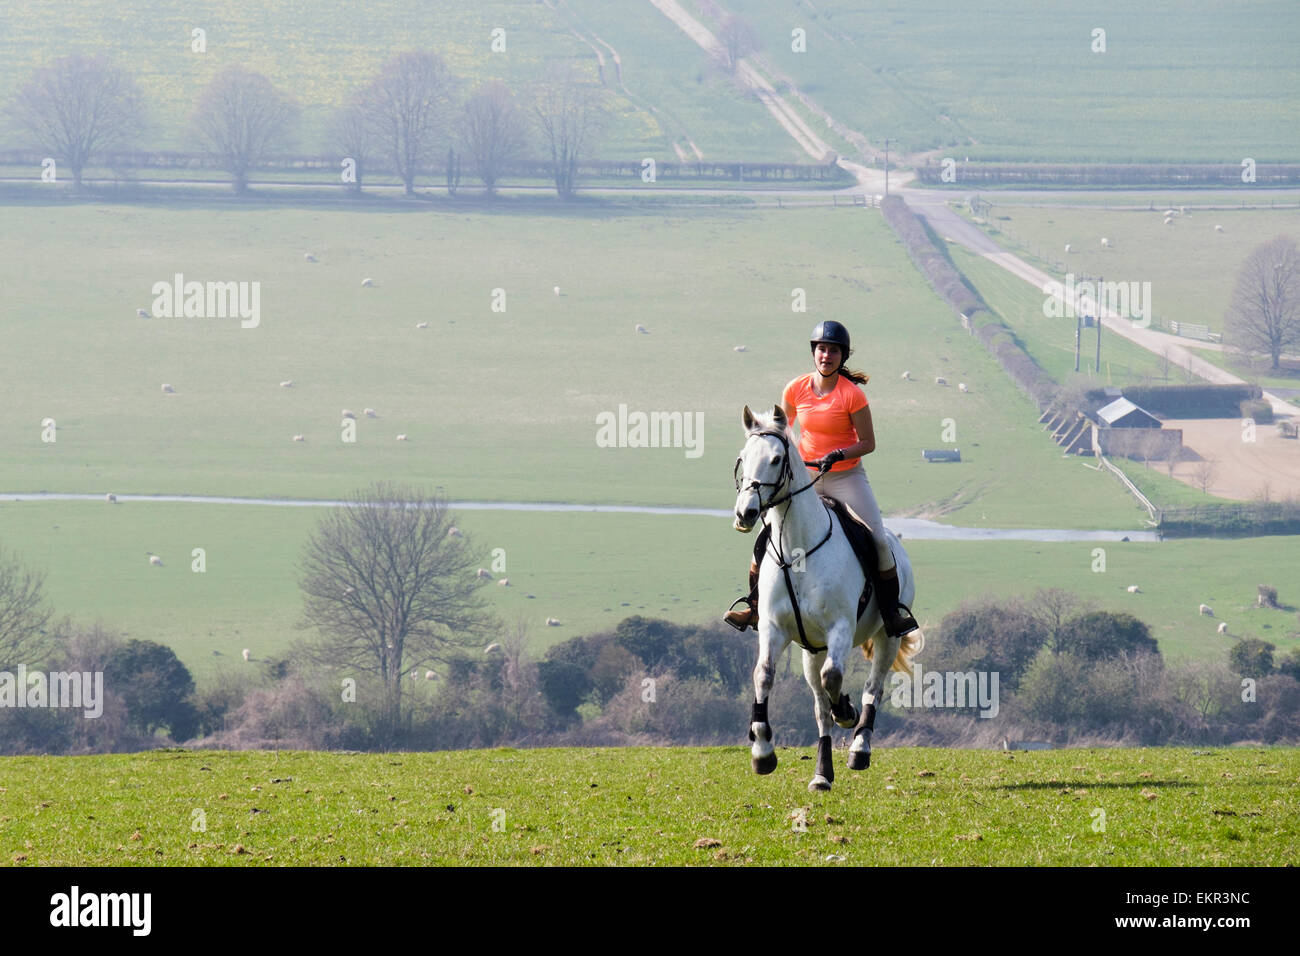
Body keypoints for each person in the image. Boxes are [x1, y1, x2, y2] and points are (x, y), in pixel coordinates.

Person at [724, 320, 918, 638]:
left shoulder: (852, 395)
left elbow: (868, 443)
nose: (826, 356)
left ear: (843, 356)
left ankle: (891, 613)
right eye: (822, 349)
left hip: (846, 477)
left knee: (879, 541)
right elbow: (782, 435)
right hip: (806, 479)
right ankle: (755, 607)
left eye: (833, 351)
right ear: (814, 352)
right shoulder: (795, 389)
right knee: (765, 536)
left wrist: (838, 454)